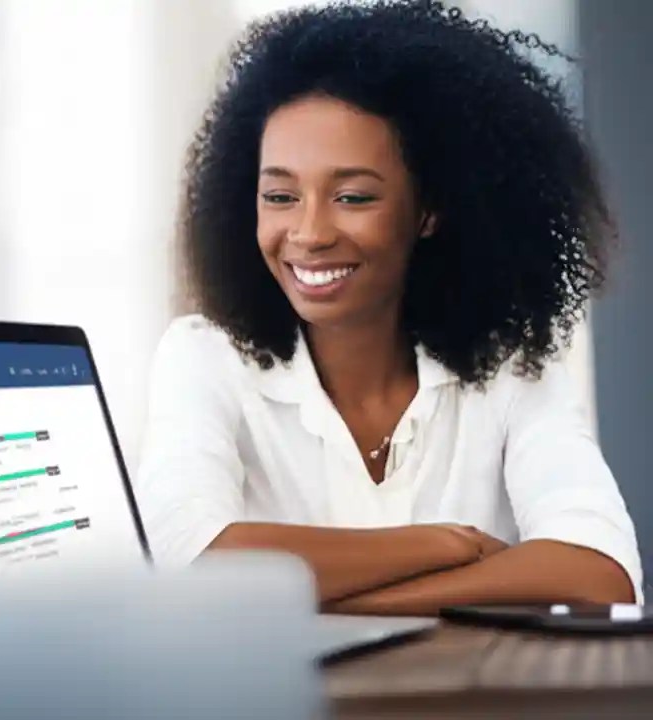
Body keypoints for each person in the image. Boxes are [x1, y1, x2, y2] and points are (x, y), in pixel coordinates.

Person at [138, 0, 642, 614]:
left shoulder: (514, 365)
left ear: (429, 209)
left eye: (352, 196)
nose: (310, 232)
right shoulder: (204, 356)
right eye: (280, 195)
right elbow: (196, 566)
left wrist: (340, 608)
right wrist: (445, 544)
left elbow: (600, 573)